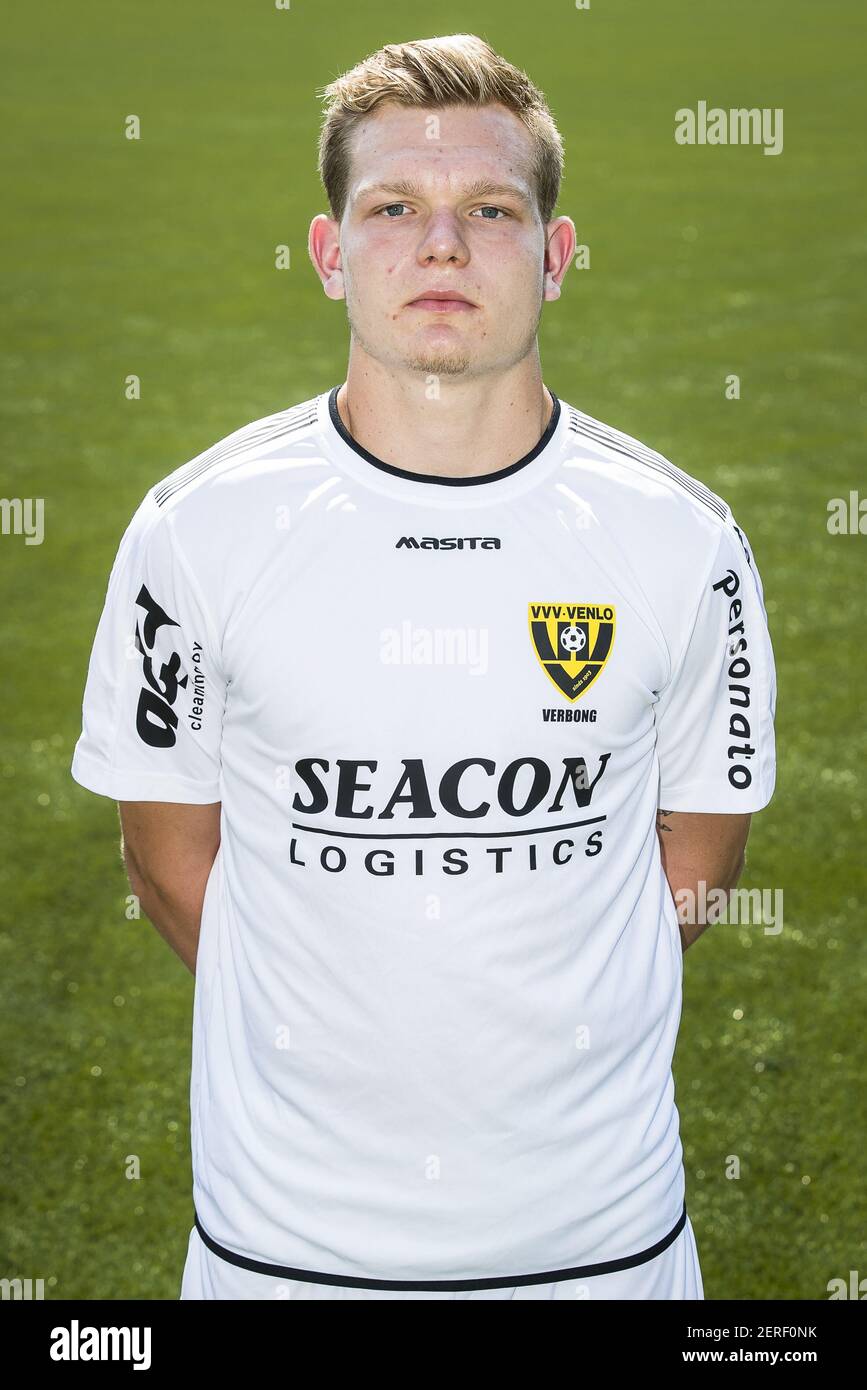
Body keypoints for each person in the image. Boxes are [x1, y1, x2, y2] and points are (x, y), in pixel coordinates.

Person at [70, 33, 776, 1300]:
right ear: (331, 251)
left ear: (555, 258)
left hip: (605, 1251)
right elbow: (171, 860)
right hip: (284, 1256)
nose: (441, 246)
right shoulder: (197, 532)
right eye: (393, 206)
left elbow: (700, 854)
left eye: (490, 210)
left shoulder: (685, 544)